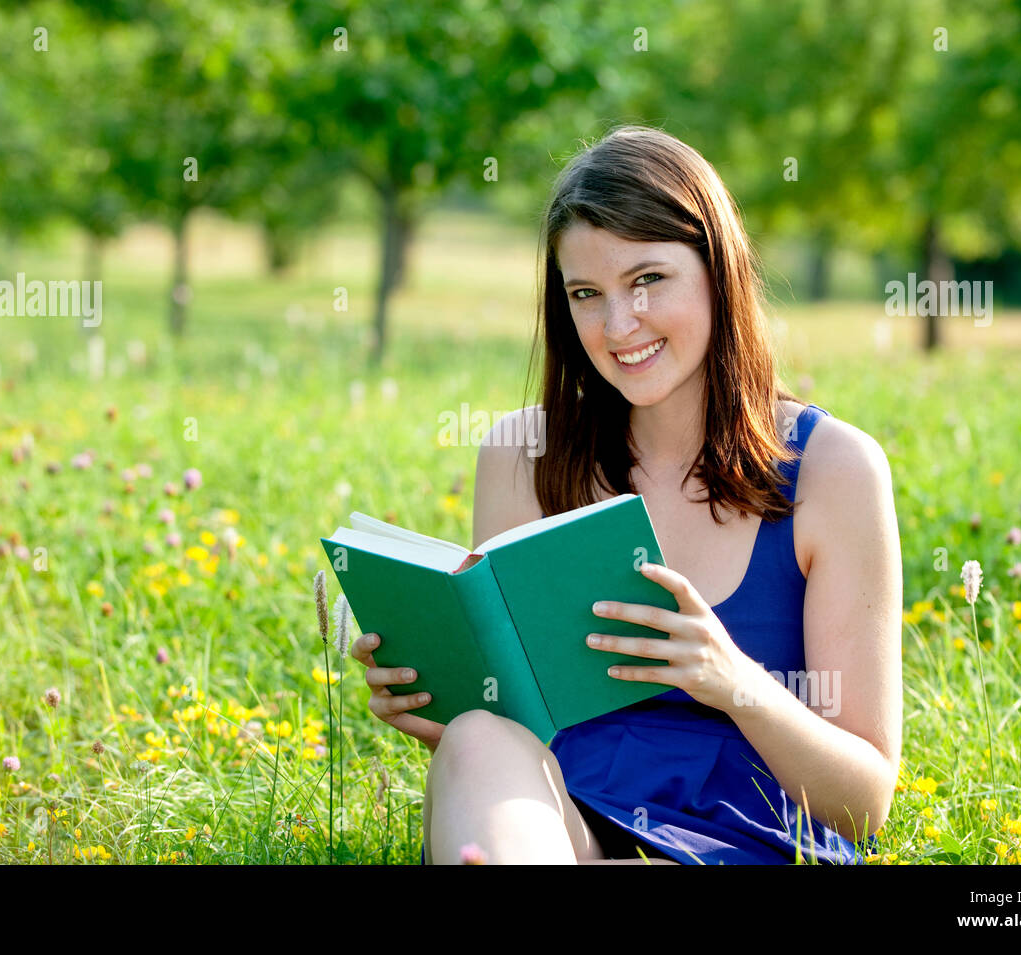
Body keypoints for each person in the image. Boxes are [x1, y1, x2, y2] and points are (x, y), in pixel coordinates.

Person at [350, 124, 902, 864]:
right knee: (482, 740)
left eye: (647, 280)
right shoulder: (523, 456)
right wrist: (443, 713)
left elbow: (863, 804)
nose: (618, 326)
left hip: (753, 841)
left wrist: (733, 681)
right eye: (587, 293)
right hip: (577, 832)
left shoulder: (834, 470)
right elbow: (519, 733)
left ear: (718, 271)